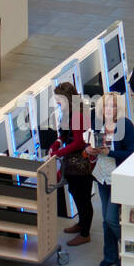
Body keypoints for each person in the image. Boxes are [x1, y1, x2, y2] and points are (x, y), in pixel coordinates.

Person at [84, 92, 134, 266]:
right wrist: (89, 150)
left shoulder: (125, 126)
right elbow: (89, 143)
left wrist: (110, 152)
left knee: (111, 219)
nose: (109, 110)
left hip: (118, 178)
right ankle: (110, 255)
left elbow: (132, 153)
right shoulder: (97, 124)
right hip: (102, 177)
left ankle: (131, 249)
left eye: (113, 106)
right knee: (107, 221)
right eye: (106, 106)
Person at [50, 81, 95, 247]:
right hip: (74, 164)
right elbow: (64, 134)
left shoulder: (77, 115)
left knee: (83, 198)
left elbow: (77, 143)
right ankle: (81, 225)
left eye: (59, 101)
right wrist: (57, 142)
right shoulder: (70, 113)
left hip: (80, 166)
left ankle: (85, 233)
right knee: (76, 193)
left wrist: (57, 153)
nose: (57, 104)